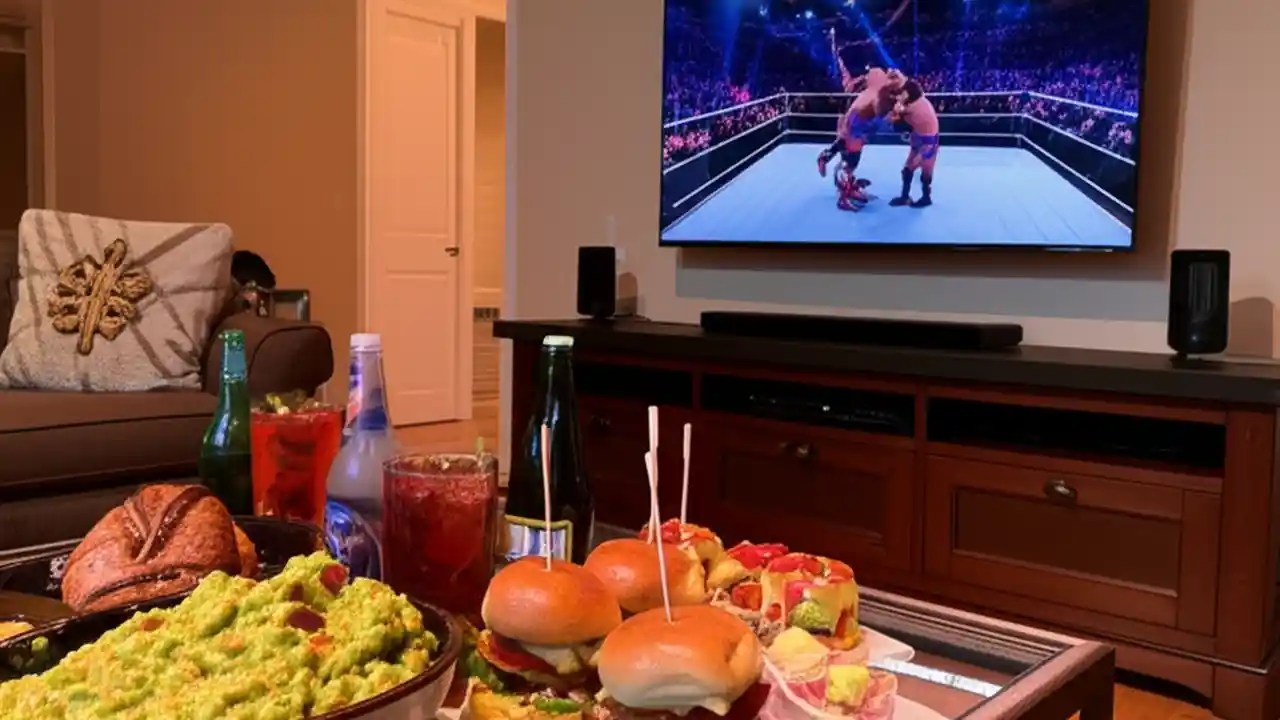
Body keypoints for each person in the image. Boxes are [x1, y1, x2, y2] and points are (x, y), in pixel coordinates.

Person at [888, 78, 940, 209]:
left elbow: (897, 124)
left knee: (923, 172)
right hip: (918, 139)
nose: (900, 95)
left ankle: (925, 198)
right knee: (907, 170)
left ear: (909, 92)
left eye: (902, 93)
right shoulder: (917, 100)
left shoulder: (912, 107)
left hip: (929, 143)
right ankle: (905, 197)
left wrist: (895, 111)